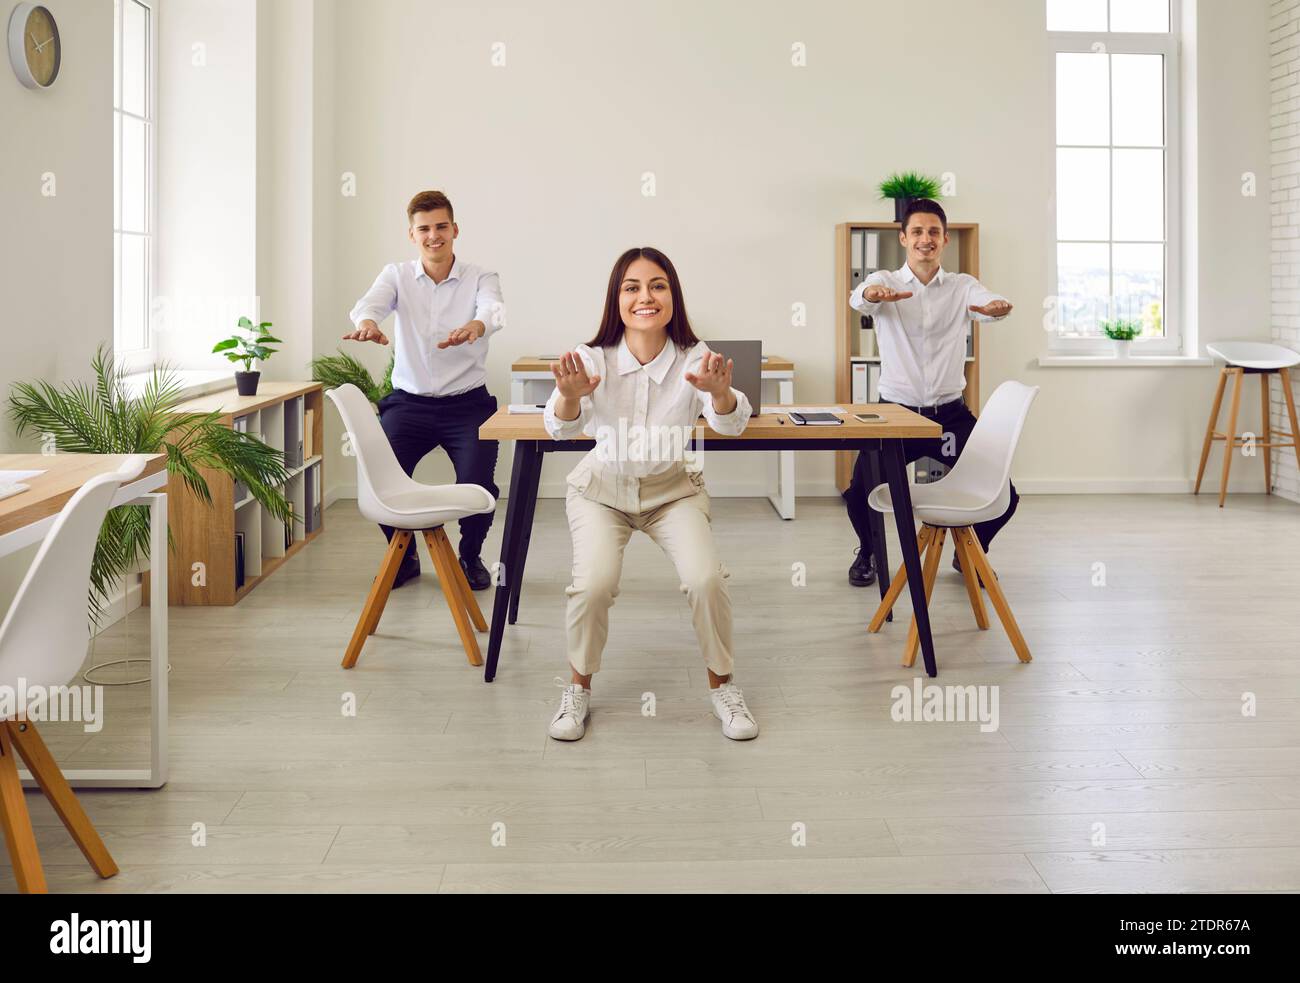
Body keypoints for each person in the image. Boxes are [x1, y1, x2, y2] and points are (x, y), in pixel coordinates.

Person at [543, 247, 758, 742]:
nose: (646, 297)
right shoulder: (591, 357)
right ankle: (577, 689)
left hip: (672, 492)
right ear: (616, 299)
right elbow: (557, 427)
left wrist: (721, 393)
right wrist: (572, 395)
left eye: (657, 286)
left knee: (706, 579)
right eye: (632, 287)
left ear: (673, 296)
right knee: (594, 585)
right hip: (601, 490)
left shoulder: (697, 356)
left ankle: (723, 687)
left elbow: (732, 421)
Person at [842, 199, 1017, 586]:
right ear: (904, 238)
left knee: (1003, 494)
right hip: (896, 416)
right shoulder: (885, 281)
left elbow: (989, 304)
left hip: (949, 417)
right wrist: (873, 296)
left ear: (945, 239)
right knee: (858, 492)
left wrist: (996, 308)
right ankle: (868, 553)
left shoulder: (961, 286)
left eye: (934, 232)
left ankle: (970, 553)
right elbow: (860, 297)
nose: (926, 239)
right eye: (917, 231)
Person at [346, 190, 503, 590]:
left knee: (478, 483)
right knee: (377, 480)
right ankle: (406, 555)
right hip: (408, 405)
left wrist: (477, 326)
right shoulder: (396, 275)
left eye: (441, 227)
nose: (434, 235)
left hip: (467, 405)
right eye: (424, 229)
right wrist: (368, 323)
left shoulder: (481, 276)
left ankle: (469, 557)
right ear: (412, 235)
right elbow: (370, 304)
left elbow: (492, 310)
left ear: (455, 229)